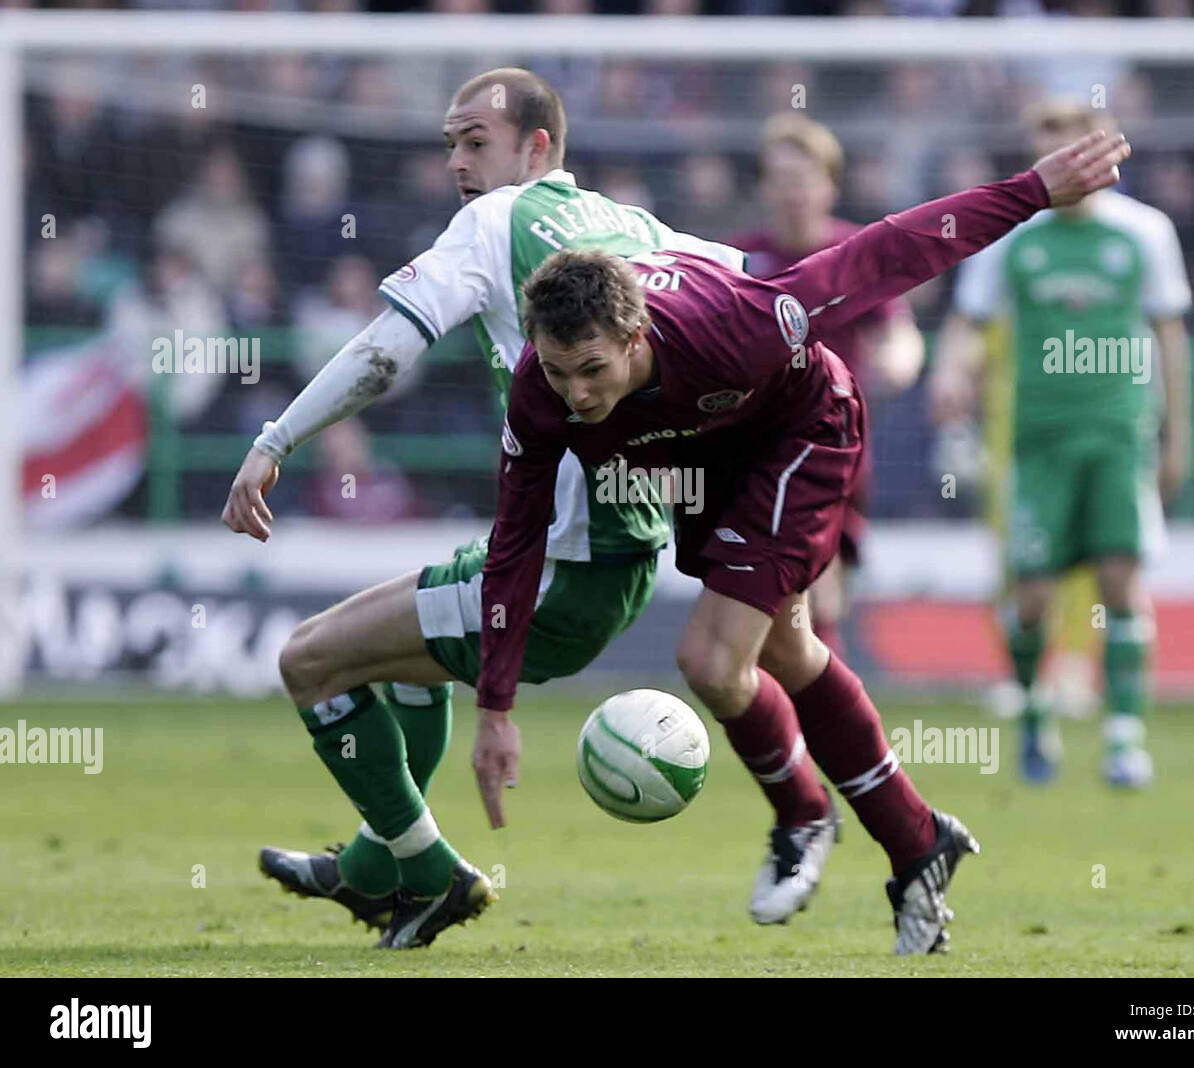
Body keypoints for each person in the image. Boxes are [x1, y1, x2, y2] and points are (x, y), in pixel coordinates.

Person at [470, 129, 1131, 952]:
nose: (575, 393)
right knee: (785, 649)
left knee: (713, 660)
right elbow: (514, 542)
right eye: (559, 372)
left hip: (806, 428)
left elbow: (888, 252)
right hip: (708, 455)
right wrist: (495, 706)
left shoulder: (739, 323)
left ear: (636, 337)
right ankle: (918, 843)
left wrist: (1032, 189)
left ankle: (805, 814)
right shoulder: (541, 396)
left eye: (592, 371)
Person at [221, 67, 790, 951]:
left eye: (474, 140)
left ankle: (430, 871)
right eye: (449, 141)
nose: (455, 159)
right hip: (608, 563)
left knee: (309, 663)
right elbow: (751, 294)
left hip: (557, 570)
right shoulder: (633, 226)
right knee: (406, 666)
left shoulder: (495, 220)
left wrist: (275, 440)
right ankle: (373, 871)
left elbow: (384, 353)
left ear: (537, 147)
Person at [929, 101, 1191, 787]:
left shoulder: (1144, 234)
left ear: (1101, 152)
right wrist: (952, 370)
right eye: (1047, 147)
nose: (1061, 161)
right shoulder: (1013, 239)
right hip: (1036, 437)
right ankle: (1036, 720)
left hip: (1118, 430)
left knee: (1120, 578)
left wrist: (1178, 435)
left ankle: (1124, 740)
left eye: (1073, 147)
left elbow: (1169, 335)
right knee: (1035, 595)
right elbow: (968, 319)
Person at [731, 114, 924, 660]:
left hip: (832, 444)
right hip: (752, 450)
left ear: (829, 184)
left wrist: (898, 361)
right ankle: (796, 722)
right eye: (782, 178)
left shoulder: (853, 252)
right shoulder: (741, 260)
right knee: (765, 599)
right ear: (766, 187)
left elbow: (900, 334)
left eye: (805, 177)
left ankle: (817, 724)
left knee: (817, 587)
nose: (794, 192)